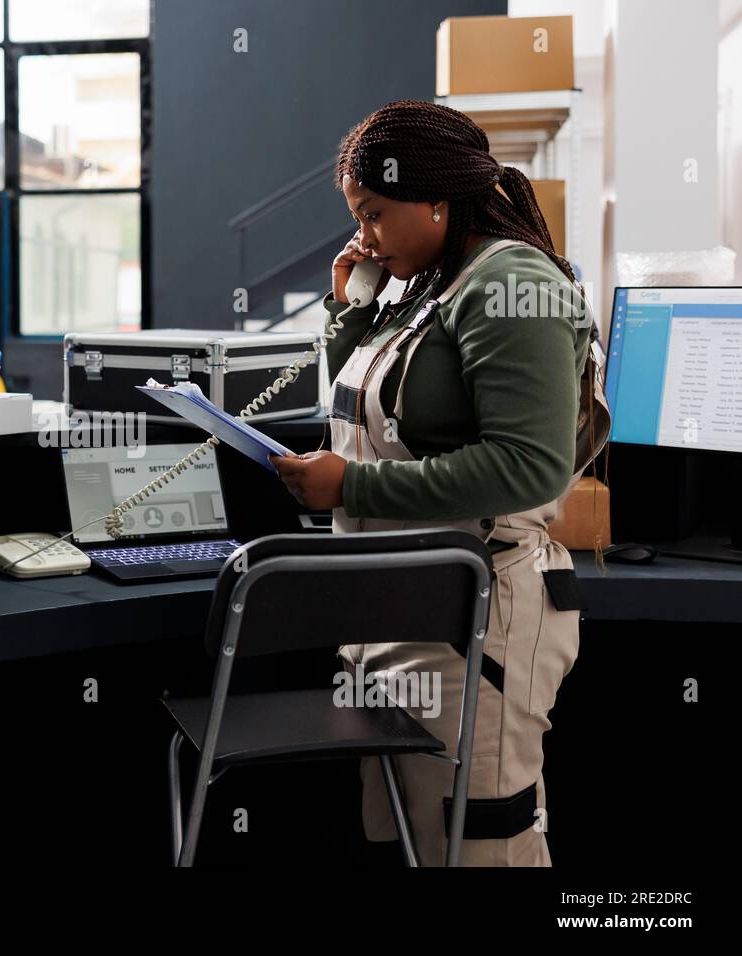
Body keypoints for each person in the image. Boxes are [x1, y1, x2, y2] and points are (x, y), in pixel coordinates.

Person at [270, 100, 610, 866]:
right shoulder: (428, 284)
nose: (365, 235)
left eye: (376, 213)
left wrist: (349, 490)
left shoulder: (512, 285)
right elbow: (373, 409)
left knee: (478, 842)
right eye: (359, 215)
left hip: (481, 619)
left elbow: (528, 466)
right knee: (415, 834)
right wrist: (352, 310)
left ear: (437, 199)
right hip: (407, 607)